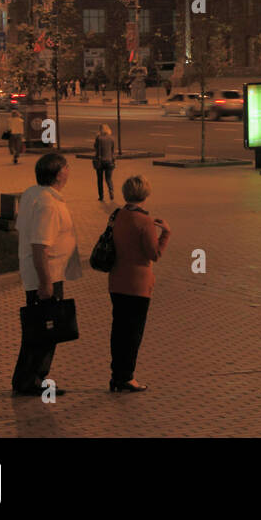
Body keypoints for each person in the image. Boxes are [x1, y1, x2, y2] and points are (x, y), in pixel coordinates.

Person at [12, 153, 81, 396]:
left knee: (40, 329)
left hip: (43, 273)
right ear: (59, 173)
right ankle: (32, 379)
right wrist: (45, 282)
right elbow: (40, 245)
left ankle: (28, 378)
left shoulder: (34, 194)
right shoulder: (48, 204)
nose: (69, 170)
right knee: (45, 331)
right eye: (66, 167)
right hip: (46, 275)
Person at [107, 175, 170, 393]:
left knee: (119, 330)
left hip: (116, 281)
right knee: (133, 333)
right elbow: (154, 254)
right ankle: (127, 377)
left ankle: (116, 374)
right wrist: (166, 234)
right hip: (138, 285)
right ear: (145, 194)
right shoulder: (145, 221)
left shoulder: (117, 215)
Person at [93, 124, 117, 202]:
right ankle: (111, 191)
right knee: (109, 179)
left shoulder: (99, 138)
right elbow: (113, 151)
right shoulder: (112, 139)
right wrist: (113, 159)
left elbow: (97, 149)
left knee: (100, 180)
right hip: (109, 161)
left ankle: (101, 196)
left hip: (100, 161)